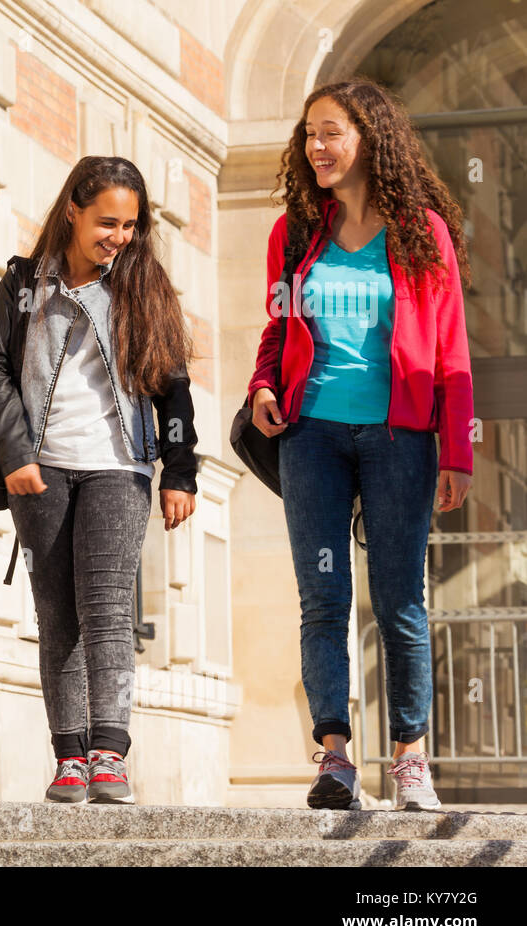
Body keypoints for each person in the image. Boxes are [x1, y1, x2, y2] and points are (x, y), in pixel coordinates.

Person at [246, 78, 473, 811]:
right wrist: (262, 387)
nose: (316, 146)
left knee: (401, 596)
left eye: (331, 131)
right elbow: (277, 328)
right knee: (322, 597)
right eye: (309, 133)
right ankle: (334, 756)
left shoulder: (421, 232)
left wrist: (458, 449)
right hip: (310, 436)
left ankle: (409, 757)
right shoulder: (294, 233)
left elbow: (451, 352)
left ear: (369, 137)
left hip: (398, 438)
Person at [0, 156, 198, 804]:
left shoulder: (142, 283)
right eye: (107, 222)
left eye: (130, 225)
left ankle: (110, 753)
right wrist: (16, 452)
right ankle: (69, 756)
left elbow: (173, 387)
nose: (119, 237)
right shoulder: (23, 282)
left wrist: (179, 470)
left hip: (118, 466)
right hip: (41, 468)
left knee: (106, 612)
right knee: (56, 615)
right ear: (72, 208)